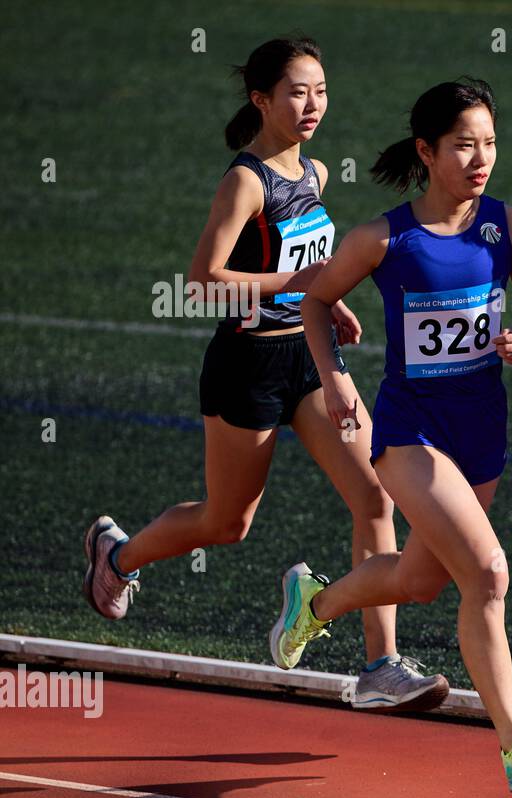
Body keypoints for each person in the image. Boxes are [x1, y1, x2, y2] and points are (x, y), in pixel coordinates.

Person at [81, 36, 446, 711]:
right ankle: (117, 557)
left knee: (376, 495)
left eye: (322, 91)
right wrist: (298, 282)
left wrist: (325, 306)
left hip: (306, 357)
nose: (313, 106)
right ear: (262, 100)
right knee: (226, 523)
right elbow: (203, 284)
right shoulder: (247, 181)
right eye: (298, 93)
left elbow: (304, 272)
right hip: (246, 367)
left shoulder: (315, 174)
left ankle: (380, 666)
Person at [270, 78, 512, 792]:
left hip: (481, 431)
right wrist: (337, 379)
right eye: (464, 144)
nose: (481, 158)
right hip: (409, 432)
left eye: (490, 143)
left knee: (418, 579)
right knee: (490, 574)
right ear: (426, 151)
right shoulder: (384, 238)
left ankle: (313, 603)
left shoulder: (510, 227)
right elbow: (315, 300)